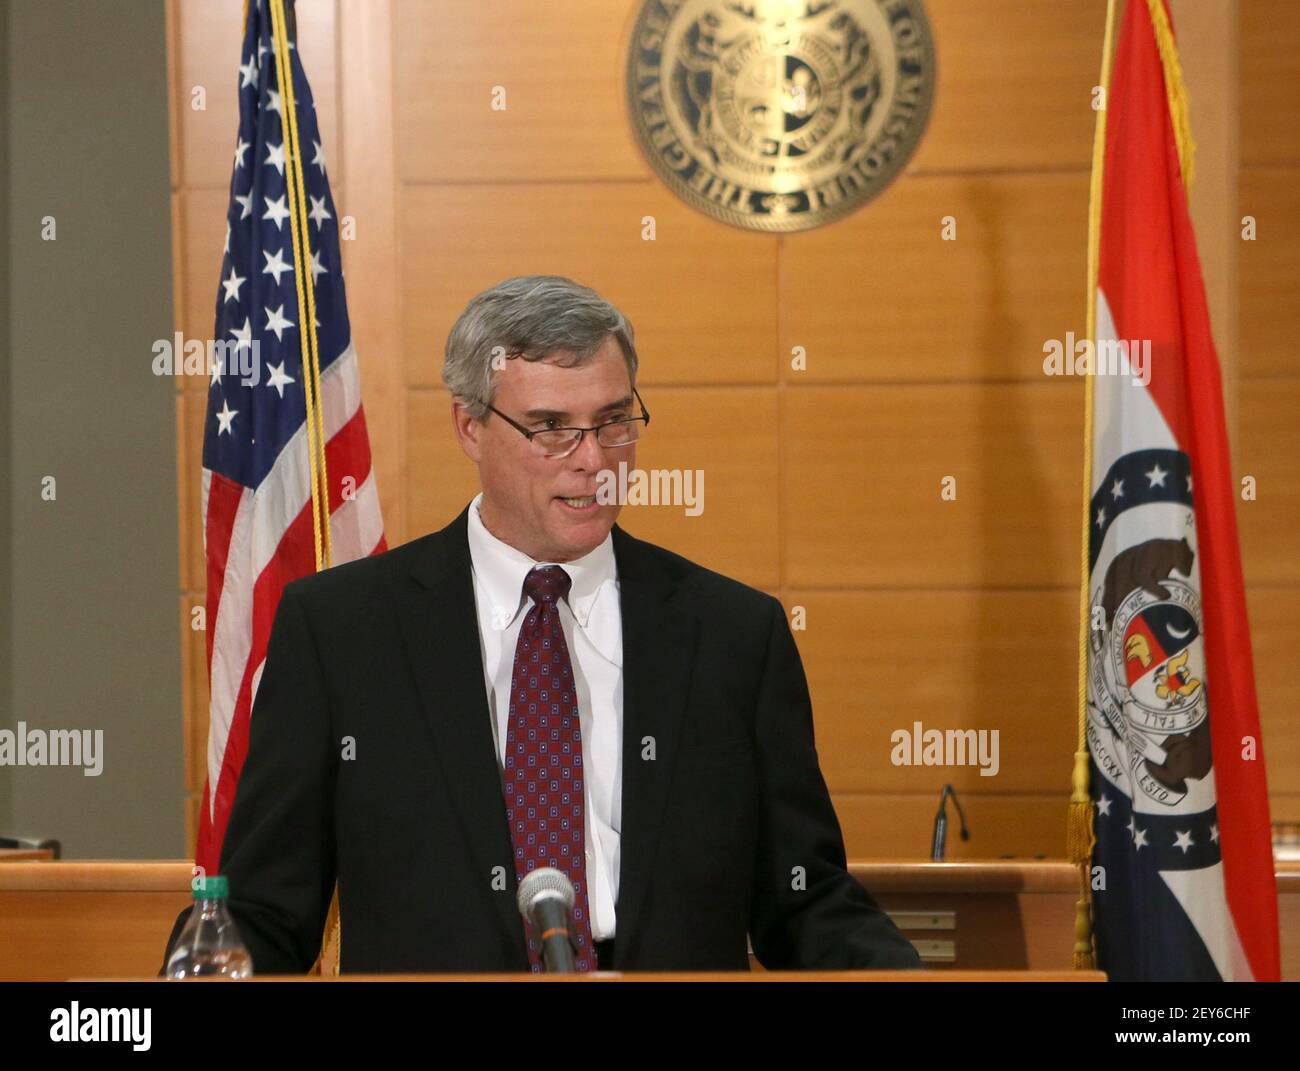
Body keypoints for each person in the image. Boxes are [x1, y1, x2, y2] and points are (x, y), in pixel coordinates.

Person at [162, 275, 922, 974]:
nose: (594, 459)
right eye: (551, 426)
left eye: (615, 421)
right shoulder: (342, 632)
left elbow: (803, 899)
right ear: (469, 426)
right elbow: (265, 912)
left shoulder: (733, 635)